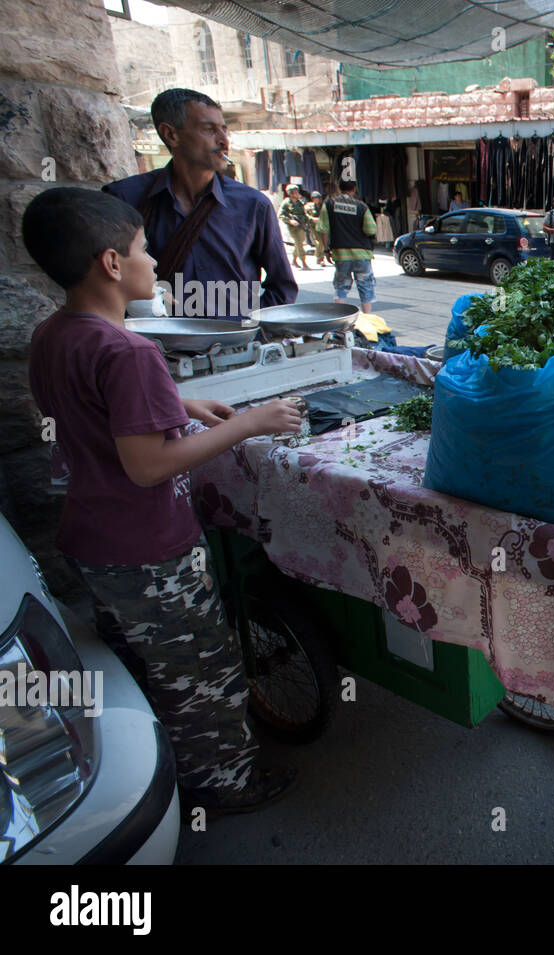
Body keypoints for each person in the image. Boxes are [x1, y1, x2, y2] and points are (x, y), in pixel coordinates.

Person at [21, 187, 304, 813]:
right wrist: (250, 423)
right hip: (149, 551)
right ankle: (223, 785)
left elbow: (90, 418)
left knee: (142, 662)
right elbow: (147, 466)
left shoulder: (54, 334)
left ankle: (155, 761)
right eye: (145, 250)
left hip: (91, 542)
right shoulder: (130, 350)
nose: (155, 263)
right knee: (202, 675)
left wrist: (182, 408)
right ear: (111, 264)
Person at [104, 88, 296, 320]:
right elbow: (106, 284)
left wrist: (250, 332)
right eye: (209, 130)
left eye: (224, 129)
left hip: (238, 351)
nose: (224, 140)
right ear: (171, 135)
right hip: (160, 350)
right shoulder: (124, 200)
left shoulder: (253, 205)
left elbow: (283, 289)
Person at [322, 179, 378, 314]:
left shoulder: (329, 204)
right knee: (365, 285)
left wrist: (326, 250)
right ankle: (368, 317)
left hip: (341, 253)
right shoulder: (361, 206)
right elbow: (371, 229)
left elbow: (323, 229)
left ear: (339, 188)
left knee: (341, 286)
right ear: (354, 189)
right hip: (362, 254)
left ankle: (340, 319)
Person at [279, 184, 312, 270]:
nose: (297, 193)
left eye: (297, 191)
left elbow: (304, 214)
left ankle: (294, 260)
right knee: (299, 244)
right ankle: (304, 262)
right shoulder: (286, 202)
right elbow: (281, 215)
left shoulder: (300, 202)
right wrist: (290, 221)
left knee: (298, 244)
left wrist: (310, 220)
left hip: (301, 226)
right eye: (295, 192)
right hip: (293, 227)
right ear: (291, 193)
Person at [306, 190, 332, 266]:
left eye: (317, 198)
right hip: (313, 227)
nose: (316, 200)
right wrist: (312, 219)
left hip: (322, 226)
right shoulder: (309, 206)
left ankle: (320, 257)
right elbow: (305, 215)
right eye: (314, 198)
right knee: (319, 242)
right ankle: (320, 257)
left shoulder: (323, 206)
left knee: (324, 242)